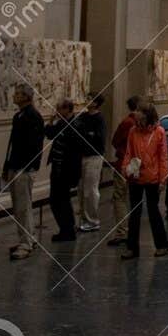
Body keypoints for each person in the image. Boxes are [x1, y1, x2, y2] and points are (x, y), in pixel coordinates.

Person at [2, 82, 45, 261]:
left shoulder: (33, 117)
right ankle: (28, 238)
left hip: (24, 168)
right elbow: (12, 144)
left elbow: (35, 146)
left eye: (17, 94)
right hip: (15, 165)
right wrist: (6, 165)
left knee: (23, 206)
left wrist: (28, 167)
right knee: (18, 206)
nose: (14, 96)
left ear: (26, 97)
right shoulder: (18, 116)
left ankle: (26, 243)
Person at [121, 102, 168, 259]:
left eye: (140, 115)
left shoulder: (159, 132)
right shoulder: (133, 131)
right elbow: (128, 152)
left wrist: (163, 179)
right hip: (135, 176)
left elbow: (163, 157)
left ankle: (162, 245)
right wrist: (125, 170)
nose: (137, 117)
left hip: (153, 177)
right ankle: (132, 248)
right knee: (134, 212)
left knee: (153, 211)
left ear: (147, 116)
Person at [44, 99, 81, 244]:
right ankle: (65, 228)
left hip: (67, 169)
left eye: (59, 109)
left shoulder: (75, 124)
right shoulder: (61, 123)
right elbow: (49, 134)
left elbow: (75, 146)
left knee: (62, 200)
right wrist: (50, 121)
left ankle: (67, 230)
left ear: (67, 109)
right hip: (57, 168)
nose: (57, 112)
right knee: (56, 200)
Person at [108, 95, 138, 247]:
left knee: (119, 196)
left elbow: (115, 141)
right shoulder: (144, 123)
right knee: (132, 196)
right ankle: (131, 230)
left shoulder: (127, 122)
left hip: (124, 163)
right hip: (137, 164)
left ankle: (122, 231)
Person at [73, 93, 106, 232]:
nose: (86, 101)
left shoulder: (99, 119)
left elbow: (98, 138)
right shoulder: (82, 117)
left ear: (96, 103)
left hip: (94, 156)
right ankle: (83, 219)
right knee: (81, 189)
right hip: (82, 155)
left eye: (89, 99)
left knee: (90, 189)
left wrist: (87, 134)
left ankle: (92, 220)